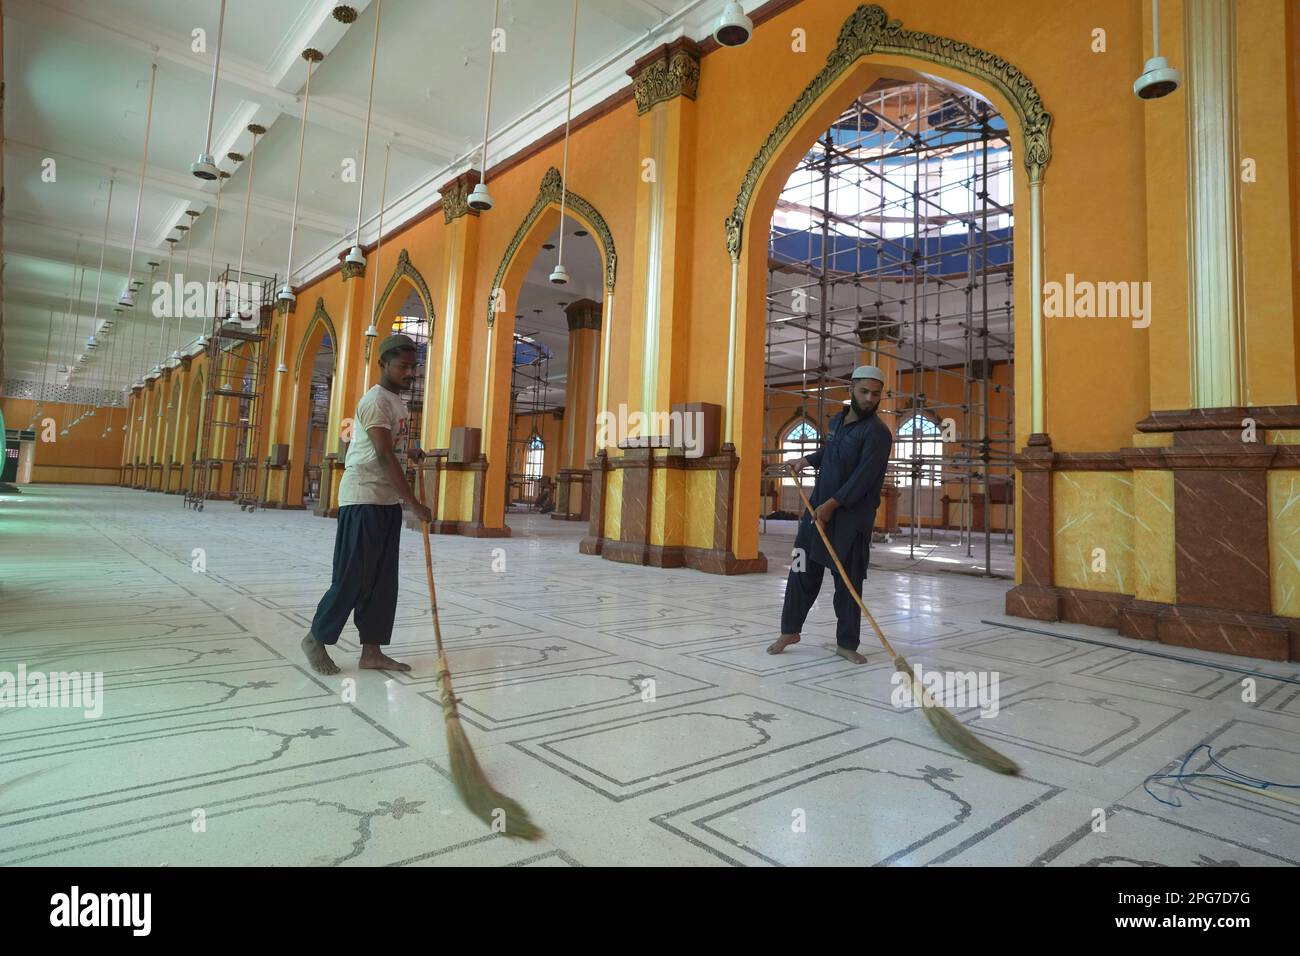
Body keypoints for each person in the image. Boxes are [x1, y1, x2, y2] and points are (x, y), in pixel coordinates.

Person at [301, 333, 433, 675]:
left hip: (385, 501)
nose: (409, 373)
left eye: (412, 367)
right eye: (403, 366)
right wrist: (415, 504)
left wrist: (412, 451)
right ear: (383, 364)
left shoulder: (396, 401)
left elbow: (396, 446)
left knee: (381, 580)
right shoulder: (375, 400)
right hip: (363, 498)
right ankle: (316, 638)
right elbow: (385, 455)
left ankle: (371, 651)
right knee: (353, 577)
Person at [768, 365, 893, 664]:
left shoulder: (878, 433)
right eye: (863, 391)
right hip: (816, 513)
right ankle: (790, 630)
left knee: (847, 583)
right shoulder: (838, 421)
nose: (869, 399)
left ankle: (846, 643)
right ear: (850, 389)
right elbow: (831, 451)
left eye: (875, 394)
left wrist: (832, 505)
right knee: (800, 571)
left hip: (850, 520)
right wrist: (805, 460)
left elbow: (863, 478)